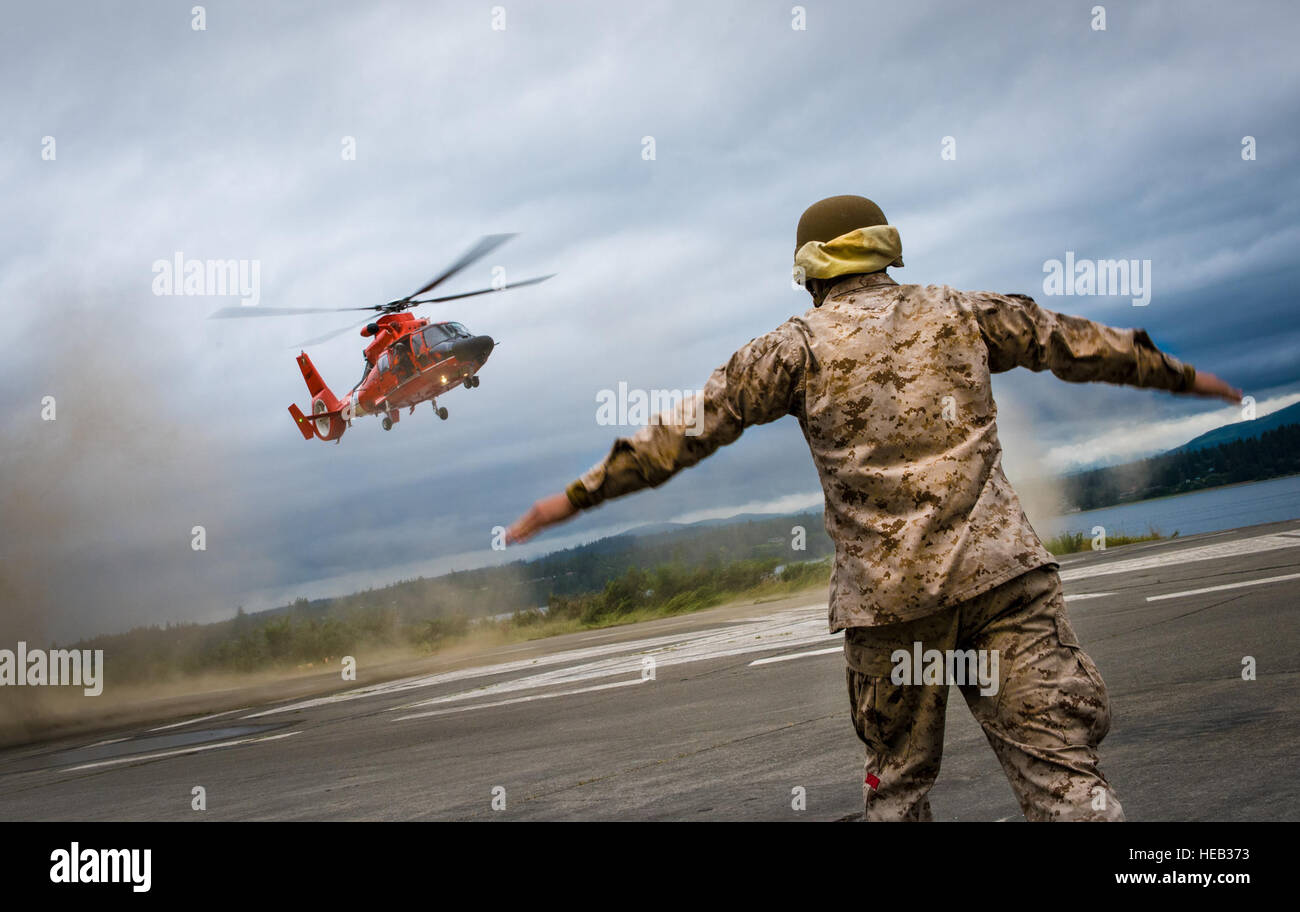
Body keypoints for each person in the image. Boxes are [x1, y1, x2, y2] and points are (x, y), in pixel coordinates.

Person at [506, 195, 1241, 821]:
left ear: (811, 272)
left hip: (892, 612)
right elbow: (1073, 343)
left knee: (898, 794)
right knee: (1066, 783)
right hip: (1006, 585)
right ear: (884, 253)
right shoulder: (962, 311)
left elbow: (685, 432)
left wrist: (574, 498)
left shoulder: (791, 348)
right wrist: (1181, 377)